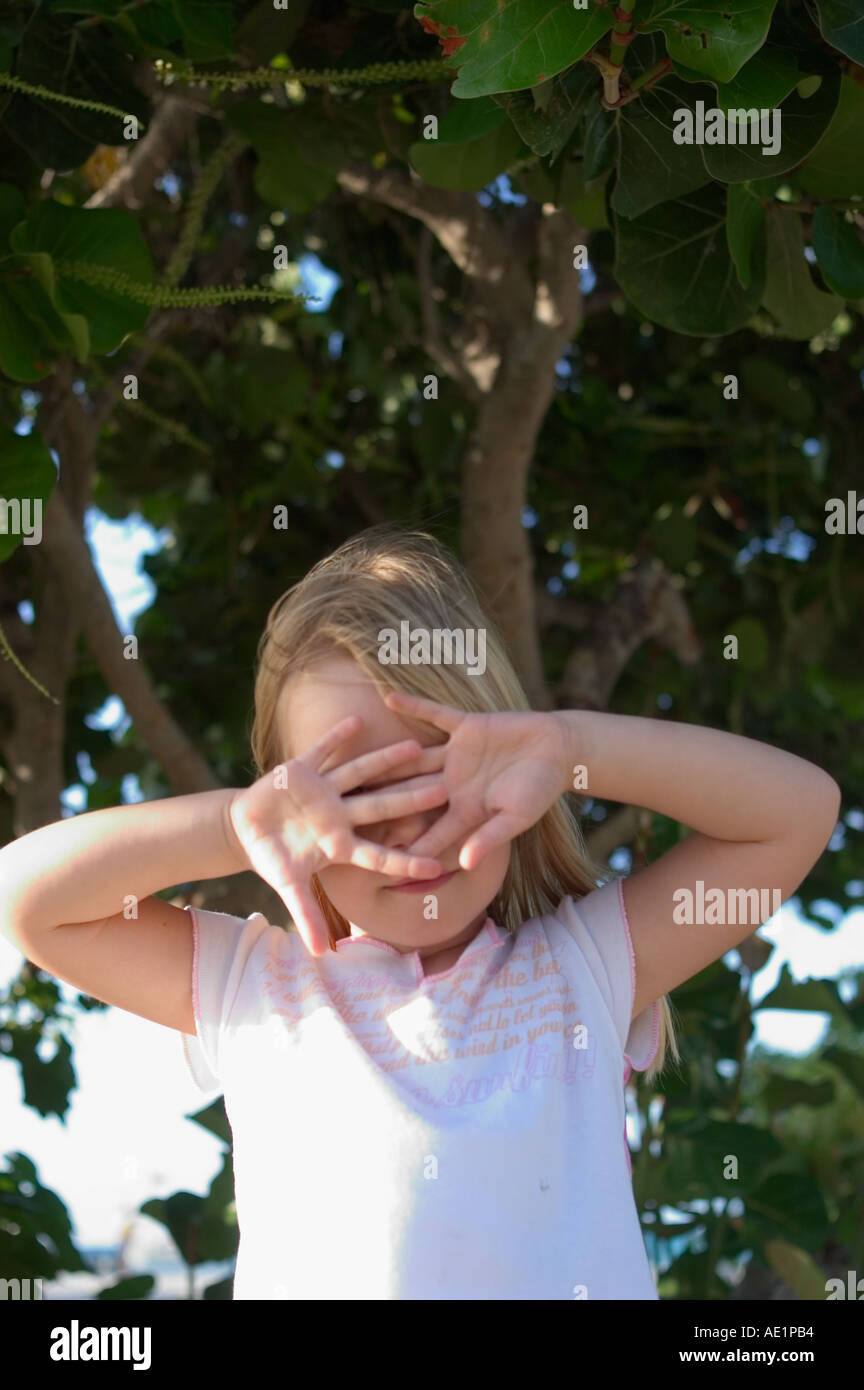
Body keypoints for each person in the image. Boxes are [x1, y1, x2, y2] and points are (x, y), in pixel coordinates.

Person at [0, 526, 840, 1300]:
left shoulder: (579, 971)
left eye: (442, 774)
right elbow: (27, 900)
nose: (407, 824)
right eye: (357, 793)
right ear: (288, 815)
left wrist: (573, 749)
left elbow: (796, 812)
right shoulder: (253, 989)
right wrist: (229, 825)